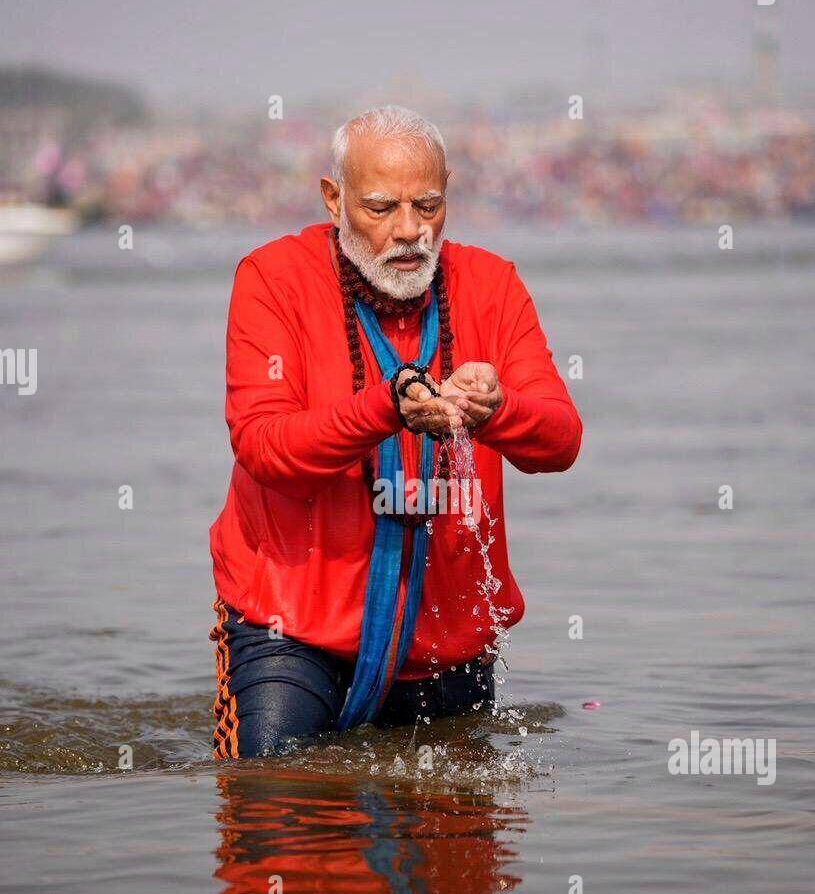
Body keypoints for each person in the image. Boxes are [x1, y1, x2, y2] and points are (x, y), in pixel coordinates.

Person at [209, 105, 582, 758]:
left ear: (448, 196)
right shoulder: (271, 280)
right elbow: (266, 449)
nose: (410, 231)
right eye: (381, 208)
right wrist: (386, 406)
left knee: (459, 844)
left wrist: (498, 410)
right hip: (289, 633)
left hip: (448, 641)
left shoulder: (492, 285)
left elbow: (561, 440)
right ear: (334, 198)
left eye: (428, 206)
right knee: (272, 807)